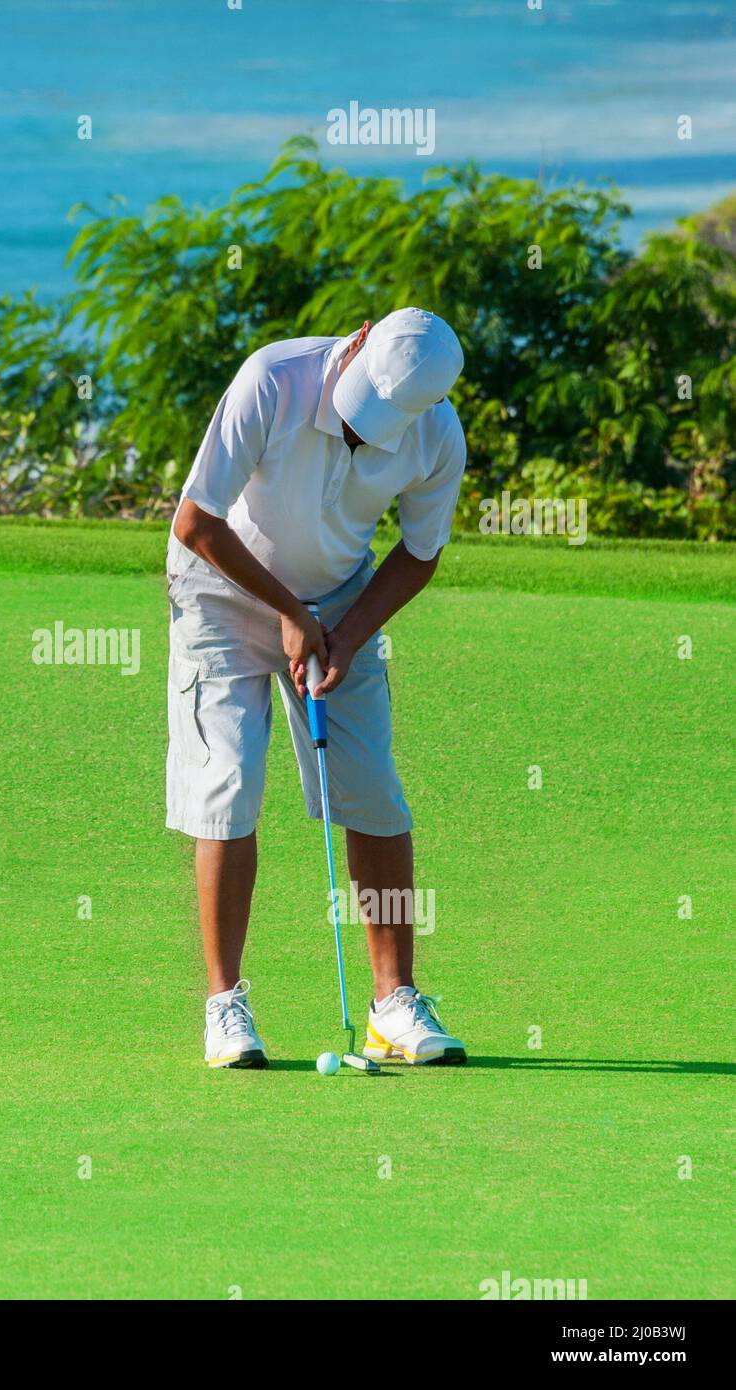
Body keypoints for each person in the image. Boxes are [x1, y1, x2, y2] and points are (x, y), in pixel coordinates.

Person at [166, 307, 469, 1069]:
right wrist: (288, 613)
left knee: (372, 791)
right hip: (222, 592)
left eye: (381, 427)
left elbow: (419, 552)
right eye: (359, 414)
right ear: (358, 338)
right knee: (230, 780)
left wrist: (347, 633)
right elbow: (196, 521)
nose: (361, 435)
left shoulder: (438, 436)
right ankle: (224, 1004)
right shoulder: (272, 378)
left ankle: (393, 1004)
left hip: (338, 602)